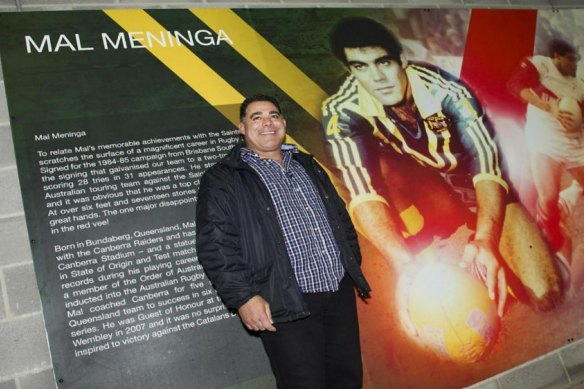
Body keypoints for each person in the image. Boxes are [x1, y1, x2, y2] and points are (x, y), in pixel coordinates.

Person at [321, 16, 564, 325]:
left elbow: (487, 168)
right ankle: (429, 245)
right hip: (430, 192)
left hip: (478, 191)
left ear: (402, 59)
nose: (377, 78)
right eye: (360, 67)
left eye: (383, 62)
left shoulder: (448, 91)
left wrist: (487, 240)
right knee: (375, 169)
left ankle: (493, 245)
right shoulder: (342, 110)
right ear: (349, 70)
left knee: (545, 296)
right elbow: (363, 193)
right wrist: (403, 267)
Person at [196, 94, 371, 389]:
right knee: (303, 383)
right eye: (256, 117)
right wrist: (244, 297)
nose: (267, 122)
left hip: (336, 291)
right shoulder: (224, 178)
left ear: (284, 123)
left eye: (273, 115)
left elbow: (341, 220)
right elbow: (215, 244)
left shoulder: (307, 165)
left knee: (347, 378)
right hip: (285, 299)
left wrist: (349, 264)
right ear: (241, 128)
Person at [508, 38, 584, 264]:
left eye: (578, 60)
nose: (575, 64)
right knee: (548, 196)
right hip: (544, 140)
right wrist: (548, 106)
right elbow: (515, 86)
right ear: (557, 57)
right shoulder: (540, 65)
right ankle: (552, 236)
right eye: (572, 59)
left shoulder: (579, 85)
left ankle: (570, 195)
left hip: (574, 143)